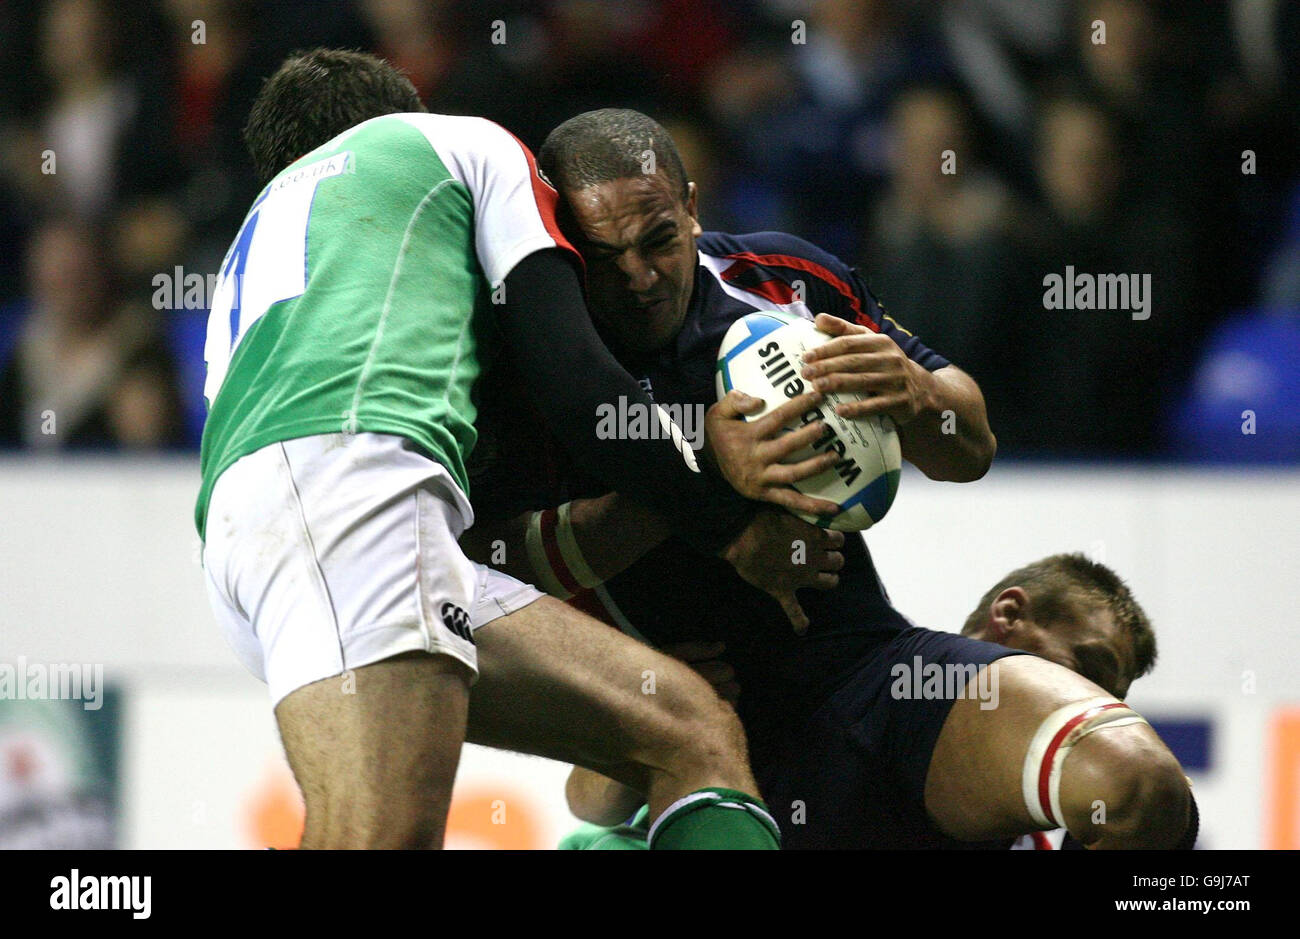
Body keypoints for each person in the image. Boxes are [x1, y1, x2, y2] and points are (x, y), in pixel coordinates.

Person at [461, 108, 1195, 849]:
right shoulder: (526, 375)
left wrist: (919, 391)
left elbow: (968, 451)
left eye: (659, 240)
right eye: (603, 256)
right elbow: (486, 566)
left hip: (873, 673)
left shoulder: (780, 278)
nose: (640, 278)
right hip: (705, 739)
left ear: (690, 204)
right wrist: (708, 483)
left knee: (1141, 788)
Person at [199, 50, 841, 849]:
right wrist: (729, 518)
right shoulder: (465, 146)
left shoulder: (249, 247)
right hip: (361, 491)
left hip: (243, 547)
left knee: (687, 728)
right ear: (409, 115)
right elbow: (580, 385)